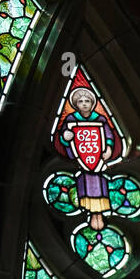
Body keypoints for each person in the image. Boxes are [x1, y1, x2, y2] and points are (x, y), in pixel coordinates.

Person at [53, 85, 122, 230]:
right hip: (83, 163)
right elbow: (65, 135)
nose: (84, 103)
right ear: (76, 104)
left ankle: (98, 215)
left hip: (98, 163)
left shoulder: (100, 119)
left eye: (87, 101)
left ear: (92, 103)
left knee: (100, 187)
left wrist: (108, 147)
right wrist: (66, 136)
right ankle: (92, 214)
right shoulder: (71, 119)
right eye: (80, 101)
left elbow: (108, 134)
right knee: (85, 186)